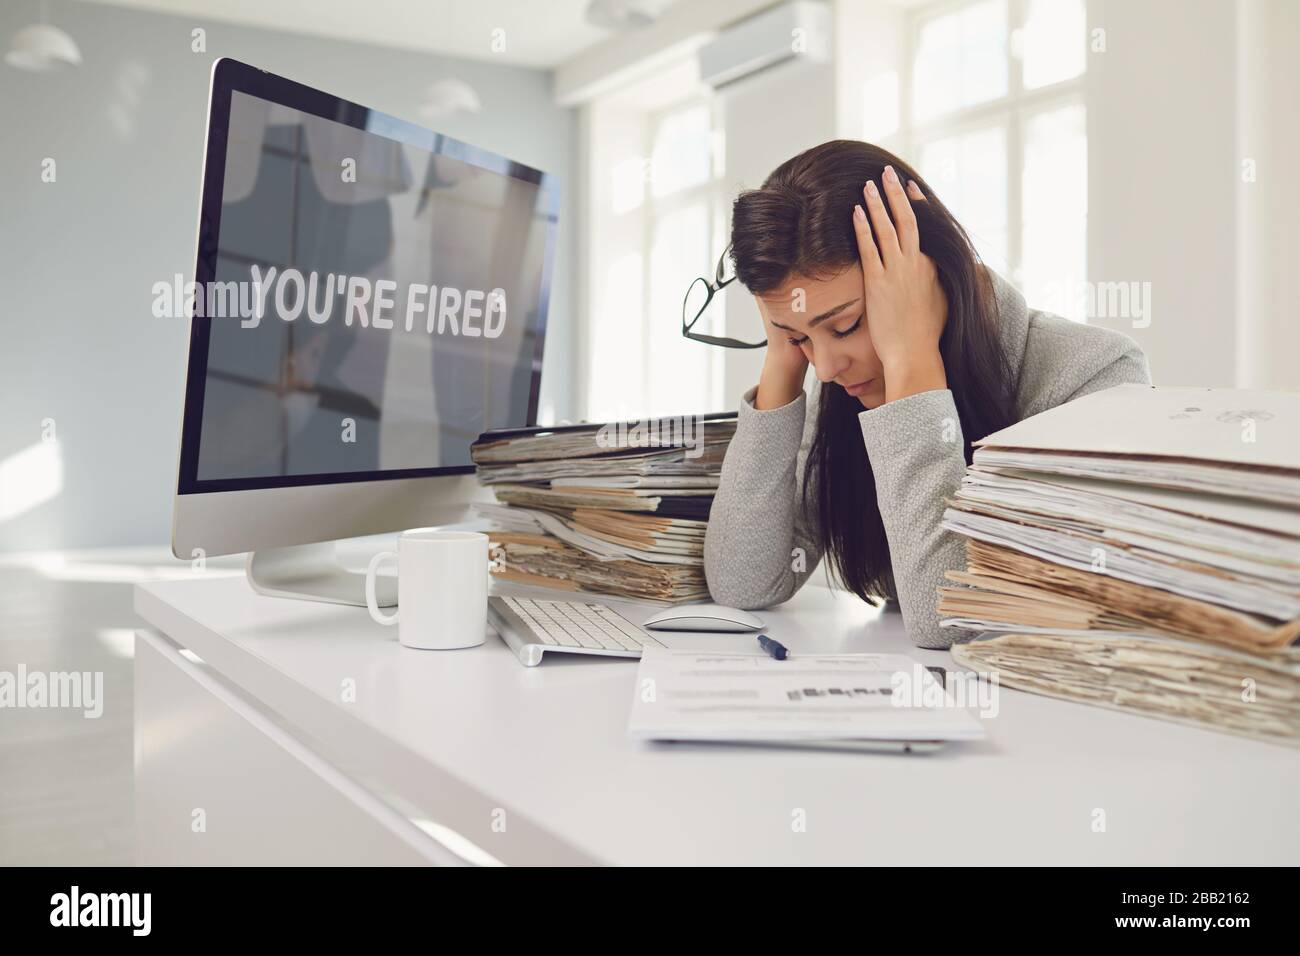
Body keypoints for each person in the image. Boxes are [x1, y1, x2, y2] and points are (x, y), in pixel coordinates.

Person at [702, 140, 1151, 648]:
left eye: (847, 325)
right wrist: (782, 358)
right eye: (800, 337)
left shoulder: (1094, 376)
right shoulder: (845, 383)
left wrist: (911, 360)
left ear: (926, 273)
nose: (825, 369)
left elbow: (950, 620)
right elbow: (742, 582)